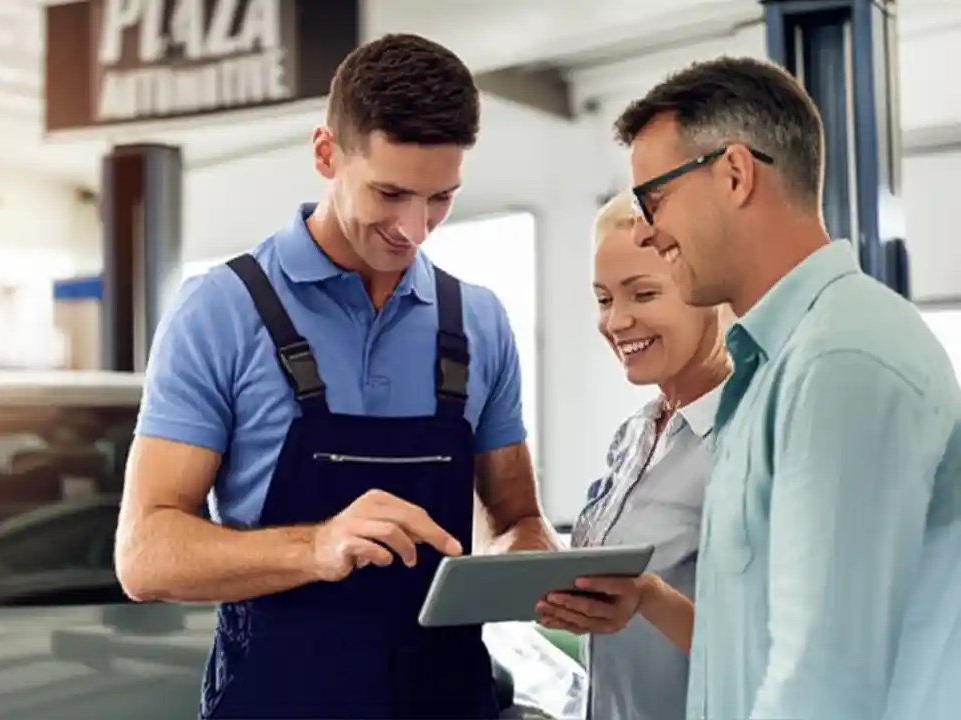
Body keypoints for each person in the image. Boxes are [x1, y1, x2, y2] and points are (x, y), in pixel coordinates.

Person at [115, 33, 558, 720]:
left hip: (448, 700)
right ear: (326, 154)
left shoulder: (479, 321)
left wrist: (540, 574)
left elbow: (516, 521)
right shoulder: (221, 311)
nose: (416, 229)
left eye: (440, 198)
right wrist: (317, 546)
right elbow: (145, 555)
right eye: (390, 193)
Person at [608, 55, 961, 720]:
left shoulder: (841, 360)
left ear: (735, 174)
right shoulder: (771, 366)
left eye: (652, 200)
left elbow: (824, 682)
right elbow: (755, 648)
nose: (648, 232)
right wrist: (651, 600)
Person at [534, 190, 729, 720]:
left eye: (643, 294)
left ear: (705, 291)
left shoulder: (743, 437)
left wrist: (651, 598)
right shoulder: (636, 435)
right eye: (603, 299)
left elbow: (767, 652)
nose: (616, 321)